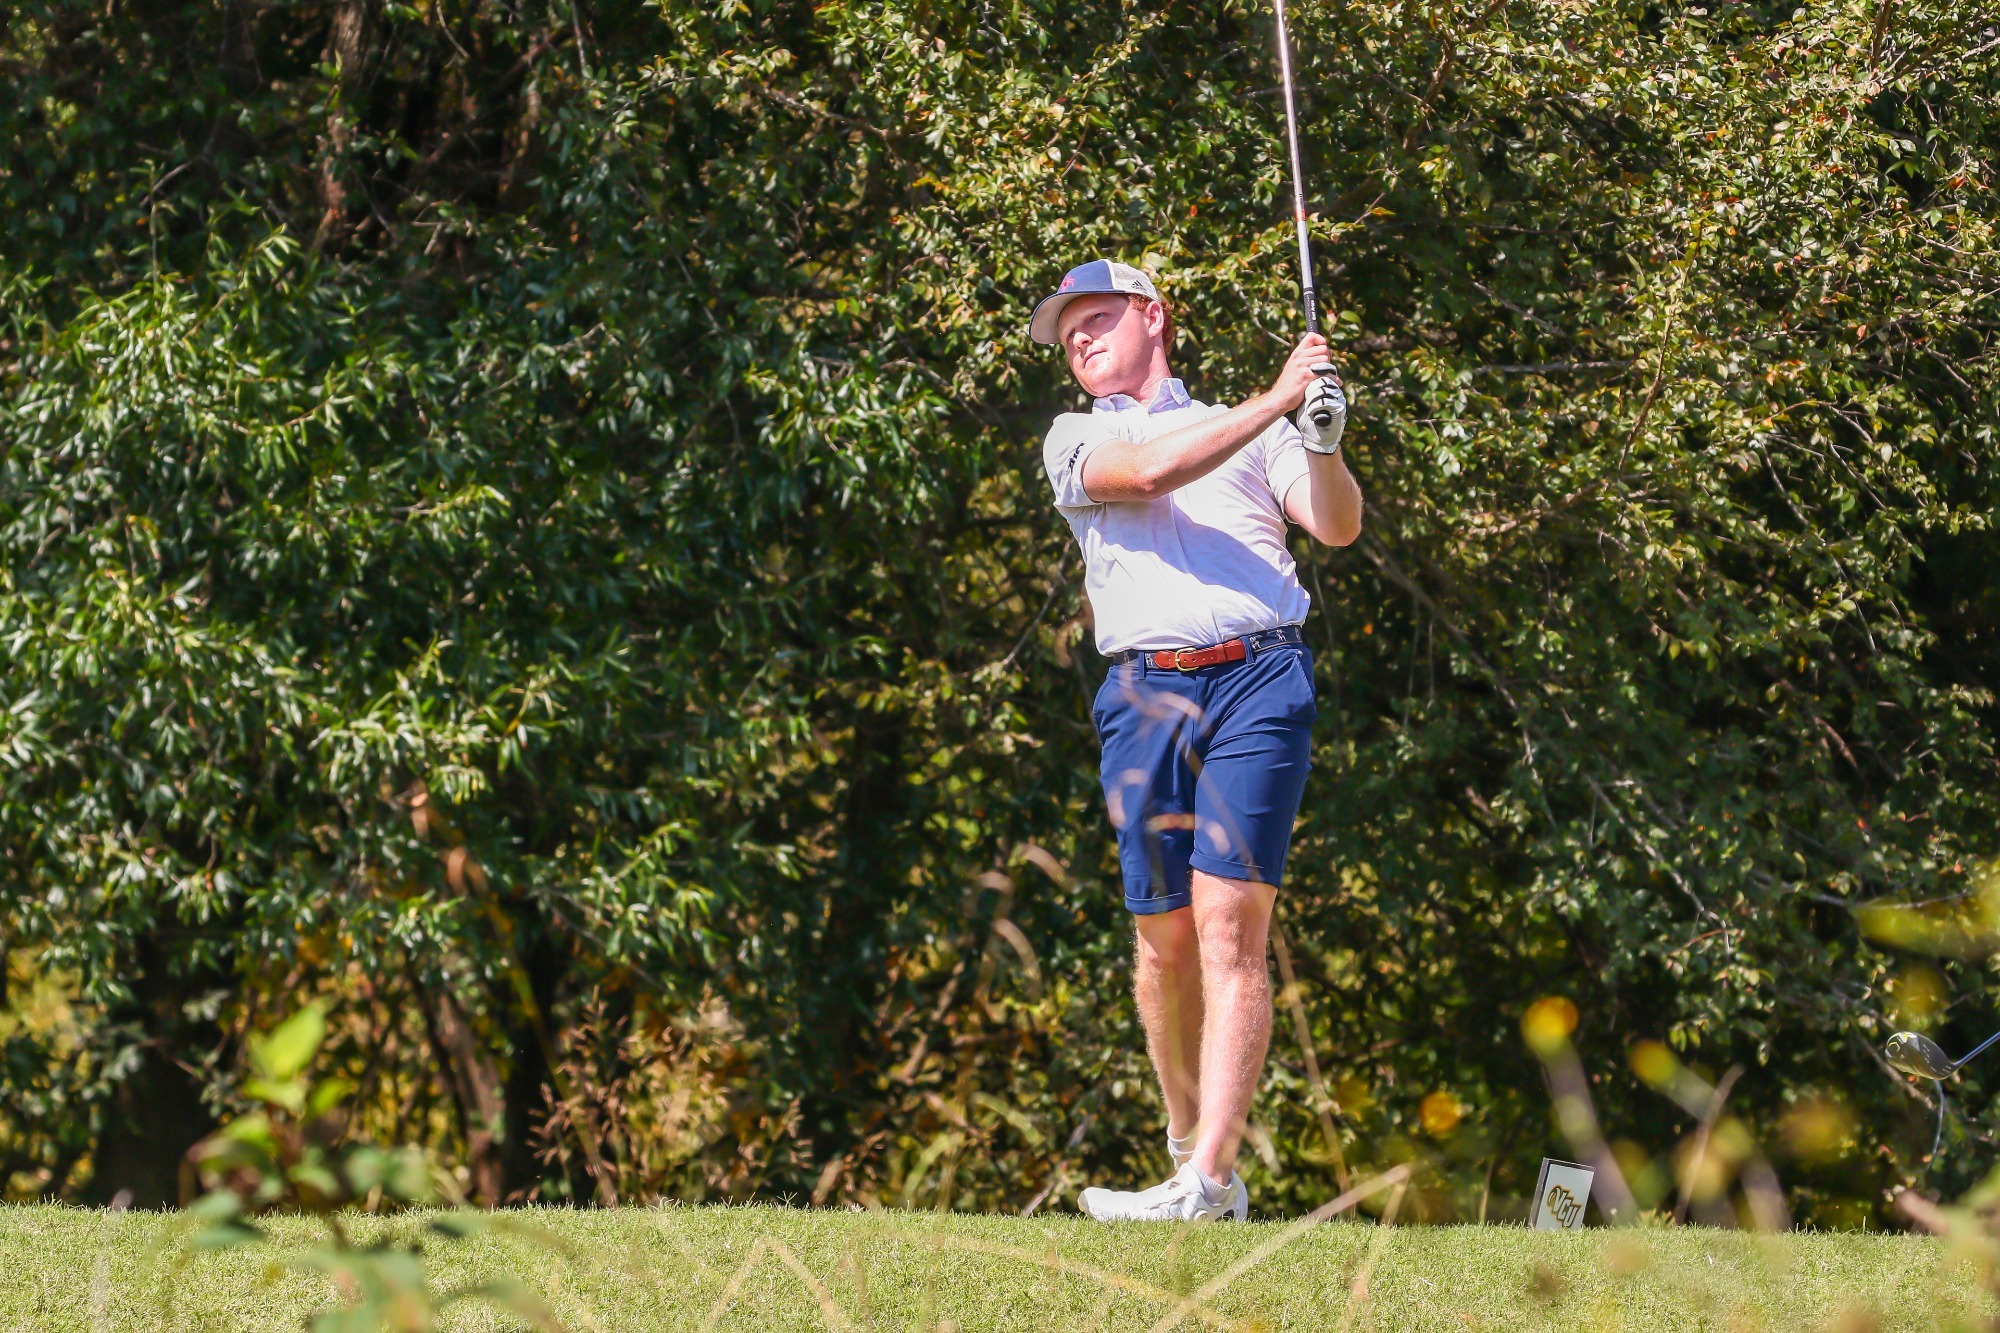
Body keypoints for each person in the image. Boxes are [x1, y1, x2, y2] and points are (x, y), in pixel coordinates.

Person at [1029, 259, 1362, 1222]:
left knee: (1229, 927)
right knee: (1163, 938)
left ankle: (1211, 1180)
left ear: (1151, 315)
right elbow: (1154, 470)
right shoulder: (1073, 440)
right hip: (1144, 693)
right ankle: (1184, 1146)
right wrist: (1279, 397)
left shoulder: (1255, 428)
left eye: (1094, 319)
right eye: (1067, 334)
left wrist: (1325, 441)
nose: (1079, 342)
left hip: (1261, 677)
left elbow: (1335, 528)